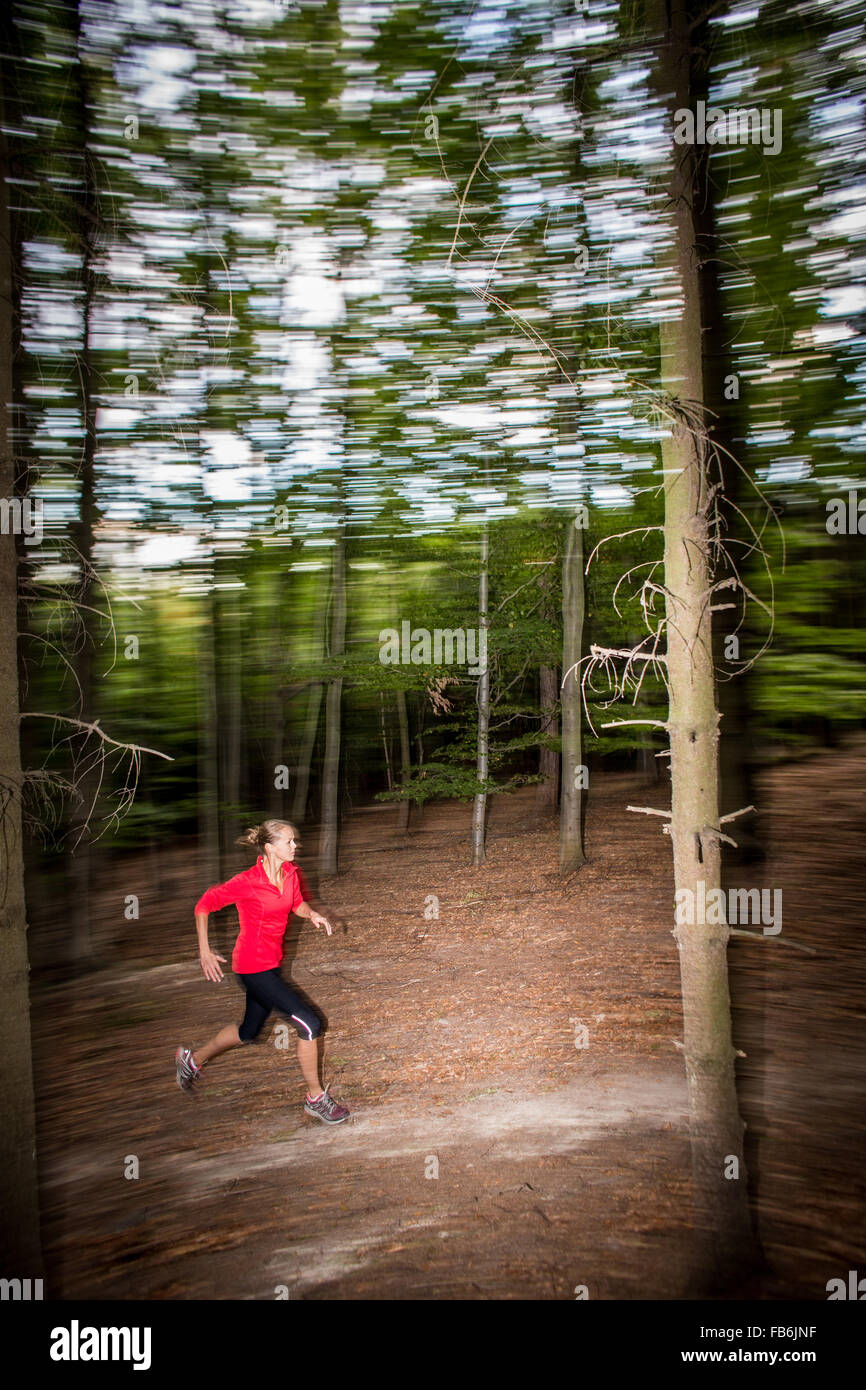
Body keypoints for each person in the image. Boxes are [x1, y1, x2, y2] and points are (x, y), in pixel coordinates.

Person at [175, 819, 350, 1125]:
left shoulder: (291, 874)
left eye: (294, 841)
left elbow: (296, 904)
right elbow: (204, 904)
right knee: (310, 1024)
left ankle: (192, 1060)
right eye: (289, 842)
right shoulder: (247, 882)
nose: (295, 846)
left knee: (248, 1032)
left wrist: (312, 915)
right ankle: (315, 1098)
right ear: (270, 848)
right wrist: (203, 950)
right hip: (252, 969)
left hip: (271, 965)